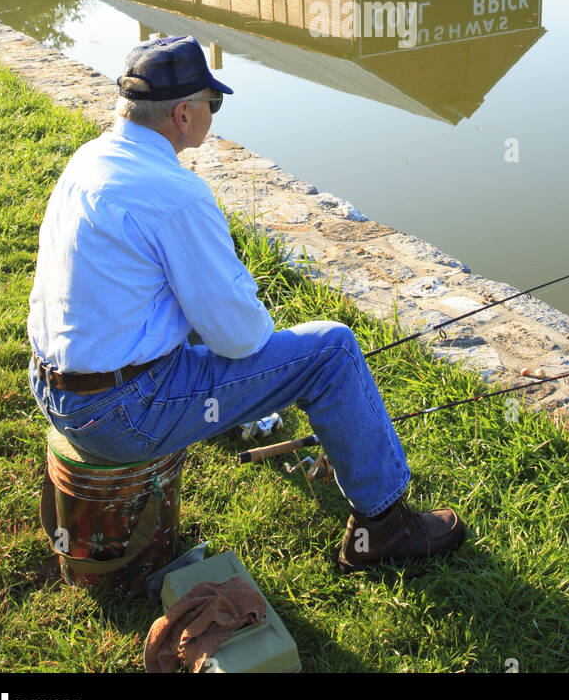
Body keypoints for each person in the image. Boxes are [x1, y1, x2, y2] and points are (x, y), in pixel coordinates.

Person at [28, 34, 465, 571]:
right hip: (120, 416)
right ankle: (385, 527)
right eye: (213, 104)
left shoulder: (90, 160)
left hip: (53, 390)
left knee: (188, 312)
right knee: (331, 352)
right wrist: (266, 344)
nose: (215, 113)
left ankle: (225, 415)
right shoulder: (174, 194)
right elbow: (242, 337)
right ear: (184, 115)